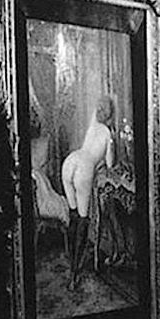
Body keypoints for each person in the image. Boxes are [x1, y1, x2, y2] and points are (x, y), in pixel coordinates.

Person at [61, 95, 115, 286]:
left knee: (73, 215)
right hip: (84, 168)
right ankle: (75, 273)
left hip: (70, 162)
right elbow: (110, 164)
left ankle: (71, 264)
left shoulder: (92, 128)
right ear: (111, 115)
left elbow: (87, 148)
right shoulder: (108, 134)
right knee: (84, 220)